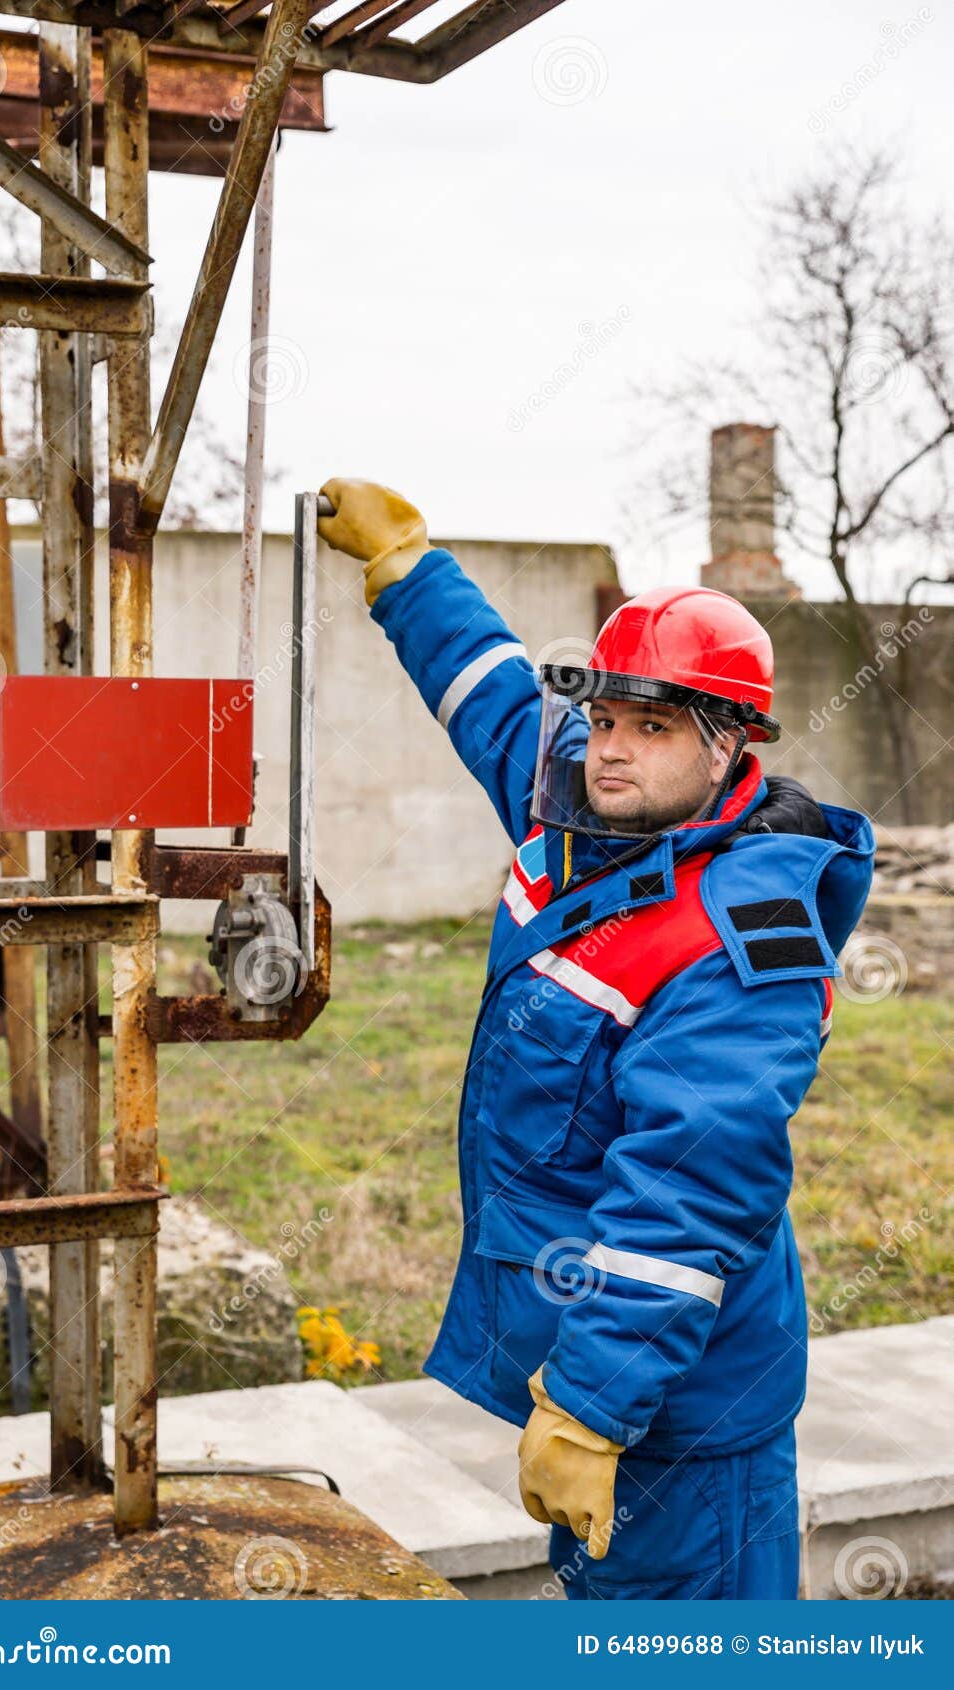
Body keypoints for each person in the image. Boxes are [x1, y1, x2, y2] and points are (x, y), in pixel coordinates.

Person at [318, 479, 875, 1601]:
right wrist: (405, 568)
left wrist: (588, 1405)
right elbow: (485, 692)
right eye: (605, 715)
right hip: (596, 1367)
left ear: (727, 746)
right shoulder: (590, 802)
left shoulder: (738, 936)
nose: (607, 748)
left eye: (650, 724)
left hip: (680, 1415)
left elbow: (691, 1188)